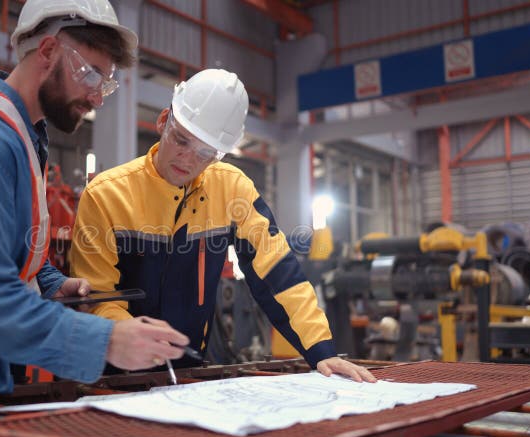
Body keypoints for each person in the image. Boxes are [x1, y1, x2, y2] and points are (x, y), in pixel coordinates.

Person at [0, 0, 188, 432]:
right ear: (47, 52)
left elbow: (10, 245)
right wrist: (106, 341)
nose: (98, 96)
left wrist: (51, 284)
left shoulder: (23, 135)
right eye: (93, 74)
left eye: (107, 83)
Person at [69, 69, 376, 382]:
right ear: (164, 121)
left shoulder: (232, 190)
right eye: (181, 140)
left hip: (188, 377)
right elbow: (97, 296)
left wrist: (321, 351)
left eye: (206, 153)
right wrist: (126, 334)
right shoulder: (106, 194)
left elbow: (279, 274)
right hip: (113, 376)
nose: (187, 159)